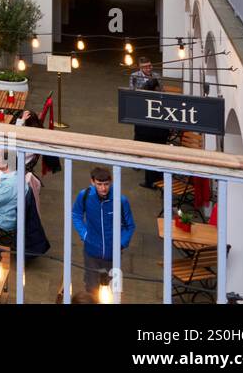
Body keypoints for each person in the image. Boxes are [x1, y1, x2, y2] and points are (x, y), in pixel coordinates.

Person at [71, 166, 135, 296]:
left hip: (113, 255)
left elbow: (130, 226)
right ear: (92, 182)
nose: (103, 188)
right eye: (99, 184)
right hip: (91, 253)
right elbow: (76, 214)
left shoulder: (120, 200)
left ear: (111, 181)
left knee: (114, 289)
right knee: (91, 289)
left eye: (106, 184)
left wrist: (120, 244)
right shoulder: (85, 196)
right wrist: (85, 234)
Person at [129, 58, 169, 188]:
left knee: (149, 138)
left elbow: (162, 91)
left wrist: (156, 88)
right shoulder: (134, 76)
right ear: (140, 67)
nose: (148, 69)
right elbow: (133, 91)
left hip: (154, 108)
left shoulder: (156, 75)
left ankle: (149, 170)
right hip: (141, 109)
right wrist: (146, 86)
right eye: (145, 67)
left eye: (150, 66)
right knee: (139, 137)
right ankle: (137, 161)